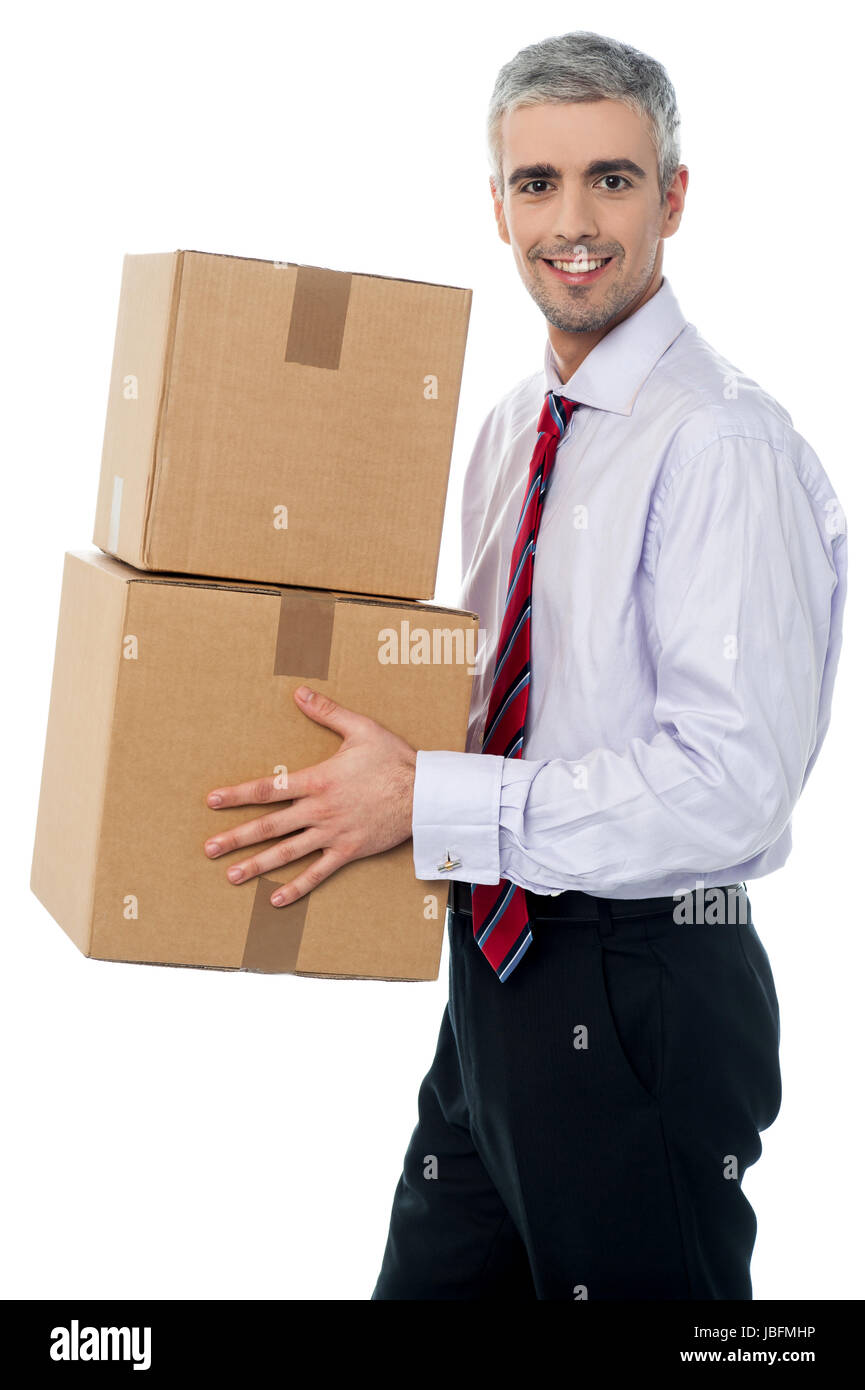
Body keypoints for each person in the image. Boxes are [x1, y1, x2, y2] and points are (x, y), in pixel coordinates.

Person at [203, 29, 847, 1299]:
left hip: (645, 980)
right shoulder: (509, 428)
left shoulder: (721, 444)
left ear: (671, 196)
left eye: (611, 178)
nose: (574, 222)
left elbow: (729, 785)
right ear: (494, 204)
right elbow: (494, 697)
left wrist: (428, 802)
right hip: (496, 972)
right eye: (537, 183)